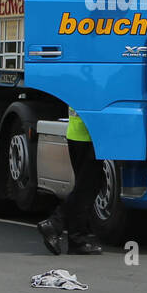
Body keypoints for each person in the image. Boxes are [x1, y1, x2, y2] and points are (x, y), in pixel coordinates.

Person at [37, 109, 103, 255]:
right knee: (87, 187)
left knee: (86, 186)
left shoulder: (80, 84)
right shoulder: (93, 84)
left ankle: (77, 239)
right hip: (89, 135)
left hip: (77, 134)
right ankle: (54, 223)